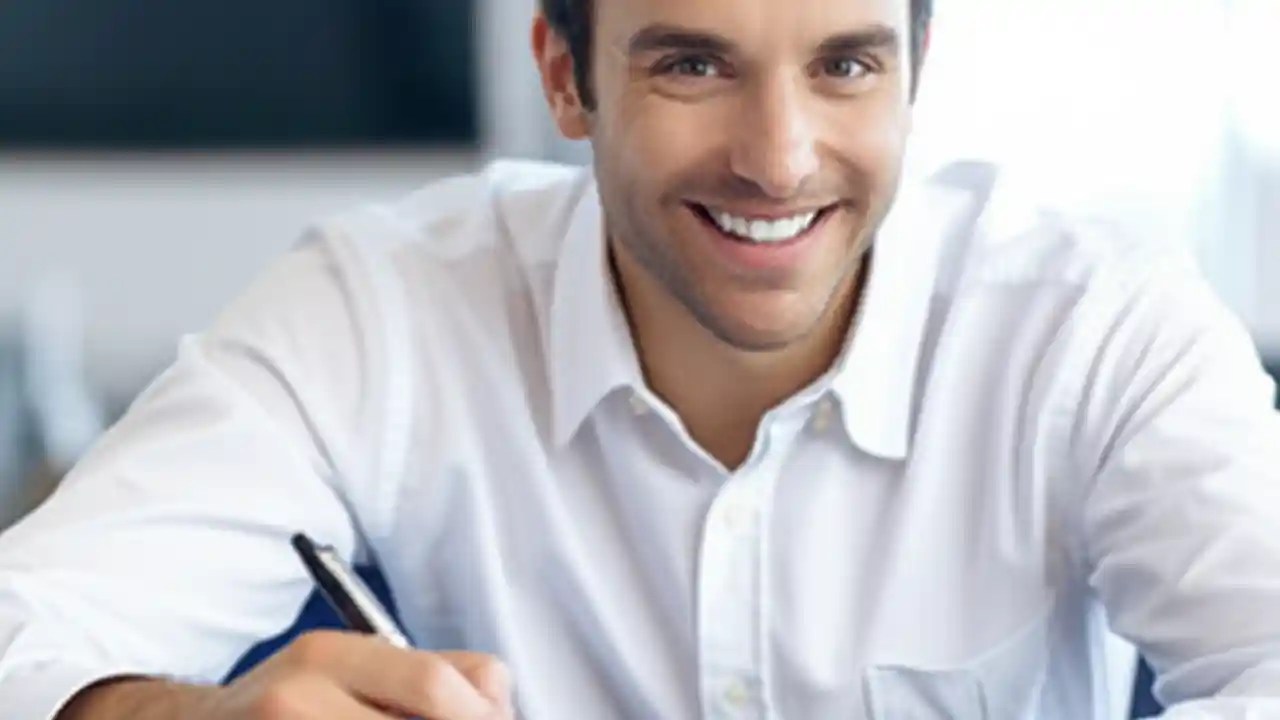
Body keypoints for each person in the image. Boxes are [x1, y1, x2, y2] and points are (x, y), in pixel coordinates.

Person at [2, 0, 1279, 717]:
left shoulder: (1097, 323)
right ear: (567, 78)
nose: (778, 159)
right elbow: (25, 627)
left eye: (843, 66)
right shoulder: (381, 309)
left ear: (914, 73)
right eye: (691, 66)